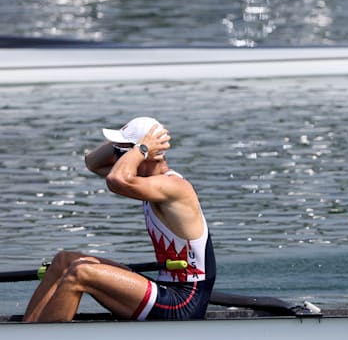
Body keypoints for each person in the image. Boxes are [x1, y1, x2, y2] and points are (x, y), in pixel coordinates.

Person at [23, 116, 216, 322]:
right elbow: (92, 162)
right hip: (167, 288)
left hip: (184, 301)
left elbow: (115, 180)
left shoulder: (174, 187)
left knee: (80, 273)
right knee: (64, 261)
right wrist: (136, 145)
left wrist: (141, 147)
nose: (116, 158)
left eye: (120, 152)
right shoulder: (146, 181)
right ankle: (29, 331)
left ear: (147, 155)